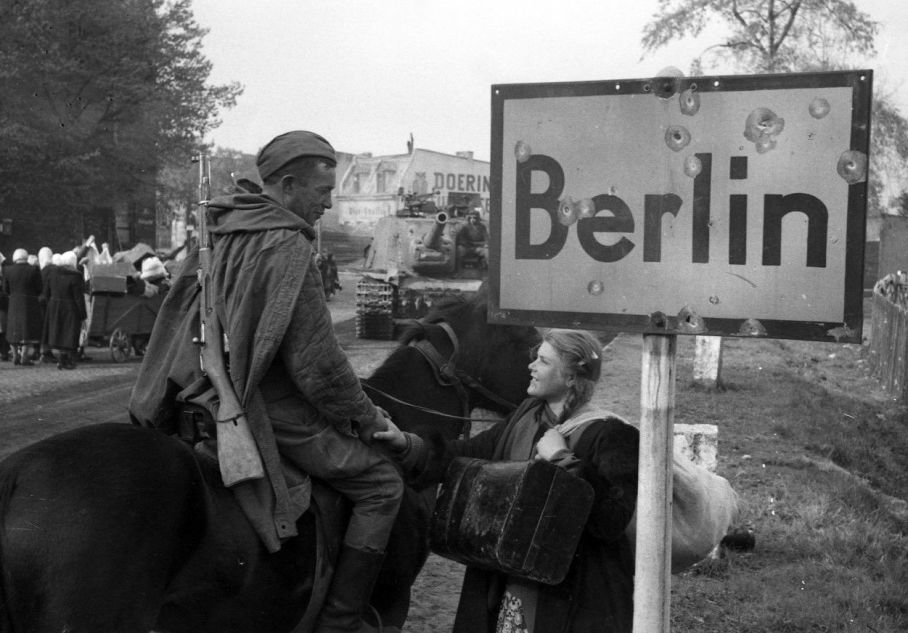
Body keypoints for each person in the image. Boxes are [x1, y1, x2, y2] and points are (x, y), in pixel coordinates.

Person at [129, 130, 403, 633]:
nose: (328, 202)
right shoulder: (287, 244)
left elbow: (175, 318)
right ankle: (341, 622)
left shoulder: (222, 228)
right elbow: (318, 366)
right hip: (266, 405)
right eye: (322, 191)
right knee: (383, 485)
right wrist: (366, 418)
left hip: (201, 391)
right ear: (288, 183)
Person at [375, 329, 640, 633]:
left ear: (570, 378)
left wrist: (562, 460)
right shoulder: (525, 418)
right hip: (510, 583)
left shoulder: (613, 435)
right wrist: (407, 444)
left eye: (542, 360)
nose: (531, 366)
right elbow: (465, 455)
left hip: (573, 596)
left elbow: (611, 519)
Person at [42, 250, 86, 370]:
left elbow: (46, 292)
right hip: (70, 308)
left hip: (54, 306)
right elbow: (78, 297)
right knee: (69, 334)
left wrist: (50, 305)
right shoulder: (75, 276)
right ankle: (65, 360)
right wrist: (83, 314)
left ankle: (62, 359)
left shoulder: (52, 274)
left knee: (59, 333)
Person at [2, 248, 43, 366]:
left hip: (14, 302)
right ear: (26, 257)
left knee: (13, 330)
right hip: (29, 302)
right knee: (27, 331)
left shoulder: (7, 270)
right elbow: (39, 288)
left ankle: (15, 355)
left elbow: (5, 289)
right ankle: (24, 357)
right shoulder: (34, 269)